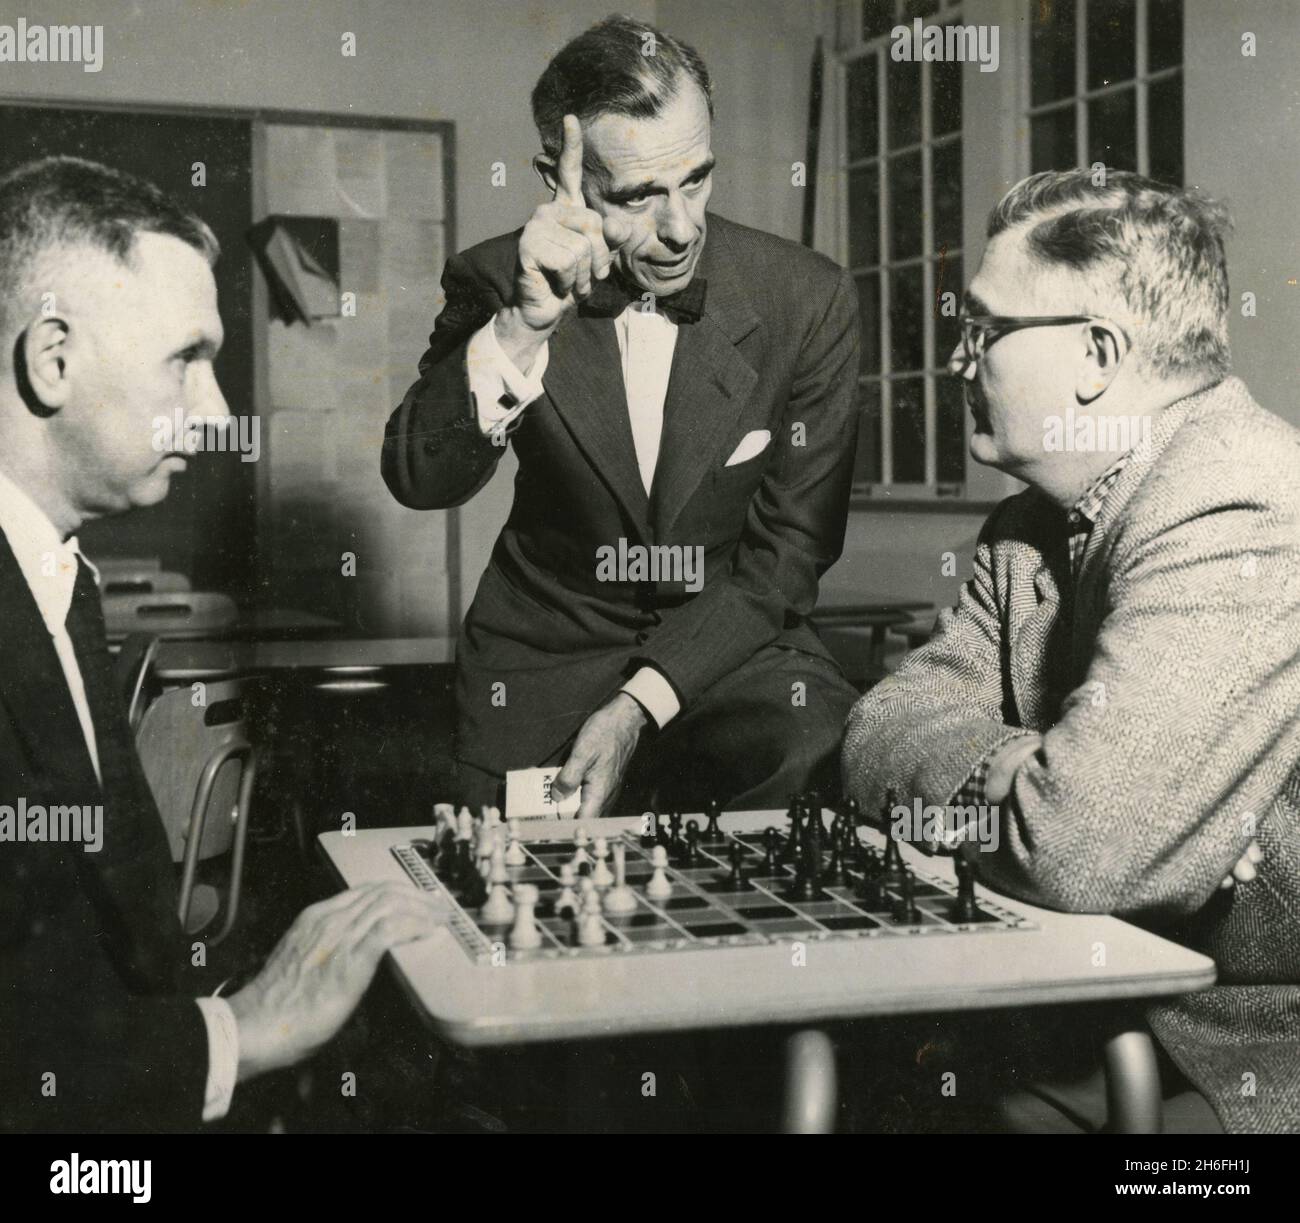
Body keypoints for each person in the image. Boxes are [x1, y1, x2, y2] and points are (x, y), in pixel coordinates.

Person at [842, 169, 1300, 1134]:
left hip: (1243, 1048)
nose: (960, 362)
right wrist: (1018, 777)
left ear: (1096, 355)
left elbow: (1081, 849)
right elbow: (878, 730)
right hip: (1086, 1007)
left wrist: (1043, 794)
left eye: (986, 331)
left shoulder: (1238, 494)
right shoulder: (1024, 525)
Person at [0, 156, 440, 1132]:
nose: (214, 412)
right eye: (185, 359)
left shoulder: (59, 576)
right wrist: (244, 1028)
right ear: (52, 359)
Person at [383, 16, 862, 819]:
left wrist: (640, 706)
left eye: (698, 179)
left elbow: (788, 558)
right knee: (508, 894)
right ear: (560, 176)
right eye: (639, 197)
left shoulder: (807, 299)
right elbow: (419, 477)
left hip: (730, 647)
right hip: (543, 653)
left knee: (814, 755)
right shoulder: (500, 278)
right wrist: (523, 326)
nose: (681, 229)